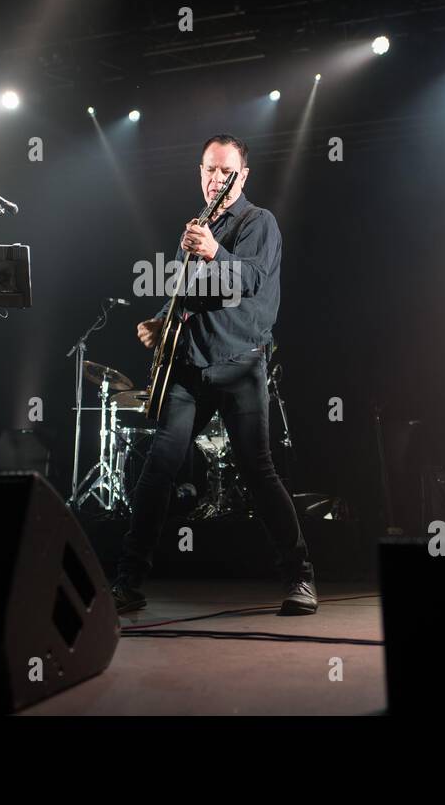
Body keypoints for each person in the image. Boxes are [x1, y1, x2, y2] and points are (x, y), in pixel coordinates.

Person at [113, 134, 316, 615]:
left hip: (242, 364)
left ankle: (300, 578)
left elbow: (249, 280)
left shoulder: (258, 222)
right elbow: (188, 288)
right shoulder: (197, 227)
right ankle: (127, 580)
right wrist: (162, 320)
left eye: (226, 172)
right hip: (191, 365)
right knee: (157, 467)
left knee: (258, 472)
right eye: (208, 169)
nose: (215, 180)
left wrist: (213, 253)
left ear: (242, 176)